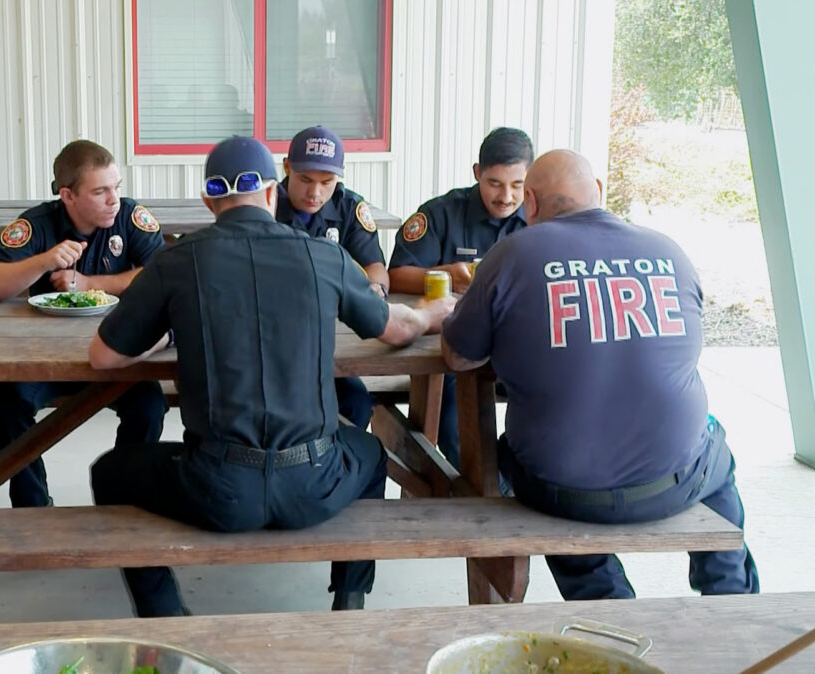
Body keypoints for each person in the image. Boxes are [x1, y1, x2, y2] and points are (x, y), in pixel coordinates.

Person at [87, 136, 457, 617]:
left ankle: (168, 618)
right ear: (271, 194)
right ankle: (349, 597)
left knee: (109, 473)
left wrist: (170, 332)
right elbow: (395, 328)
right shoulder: (325, 257)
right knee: (370, 453)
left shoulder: (175, 261)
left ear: (208, 201)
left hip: (218, 491)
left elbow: (103, 355)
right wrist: (432, 313)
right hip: (314, 483)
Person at [440, 149, 759, 600]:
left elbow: (457, 357)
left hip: (562, 488)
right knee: (716, 452)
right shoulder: (668, 251)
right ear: (599, 193)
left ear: (529, 202)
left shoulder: (510, 256)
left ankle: (607, 605)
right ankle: (730, 598)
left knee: (536, 470)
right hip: (675, 477)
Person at [0, 140, 168, 508]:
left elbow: (162, 275)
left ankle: (123, 498)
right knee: (4, 404)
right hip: (43, 356)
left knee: (150, 406)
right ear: (68, 195)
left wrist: (92, 284)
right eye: (100, 191)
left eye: (117, 187)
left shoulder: (130, 218)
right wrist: (43, 261)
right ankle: (32, 507)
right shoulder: (37, 224)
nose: (114, 199)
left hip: (115, 352)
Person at [388, 127, 534, 468]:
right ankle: (474, 490)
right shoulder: (442, 213)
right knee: (455, 401)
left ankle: (515, 482)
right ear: (476, 174)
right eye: (495, 183)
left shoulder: (541, 216)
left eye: (517, 185)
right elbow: (397, 273)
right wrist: (447, 274)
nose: (507, 197)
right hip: (456, 345)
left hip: (523, 344)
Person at [275, 125, 388, 430]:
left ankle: (335, 475)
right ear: (286, 167)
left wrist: (375, 289)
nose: (315, 193)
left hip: (331, 341)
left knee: (357, 407)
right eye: (305, 180)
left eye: (327, 182)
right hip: (275, 342)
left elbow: (376, 267)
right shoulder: (265, 205)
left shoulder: (349, 207)